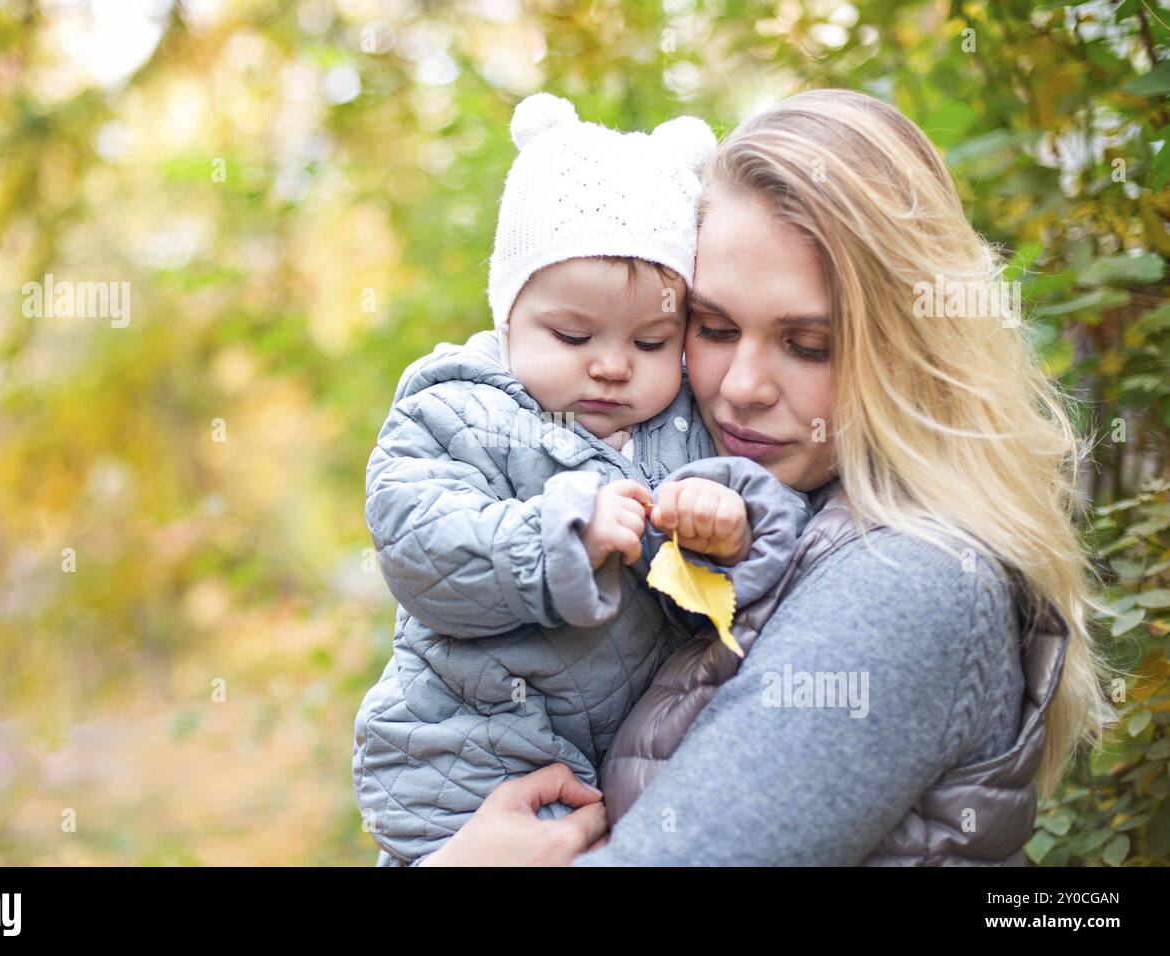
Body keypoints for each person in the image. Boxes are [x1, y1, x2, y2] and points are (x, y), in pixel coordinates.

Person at [417, 89, 1115, 867]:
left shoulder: (911, 581)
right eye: (713, 329)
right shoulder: (741, 519)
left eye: (809, 344)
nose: (743, 385)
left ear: (913, 350)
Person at [351, 93, 812, 865]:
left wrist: (729, 526)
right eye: (572, 334)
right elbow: (420, 546)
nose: (610, 364)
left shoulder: (685, 422)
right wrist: (560, 533)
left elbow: (757, 532)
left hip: (625, 766)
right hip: (466, 749)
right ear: (508, 316)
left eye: (651, 339)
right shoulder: (456, 412)